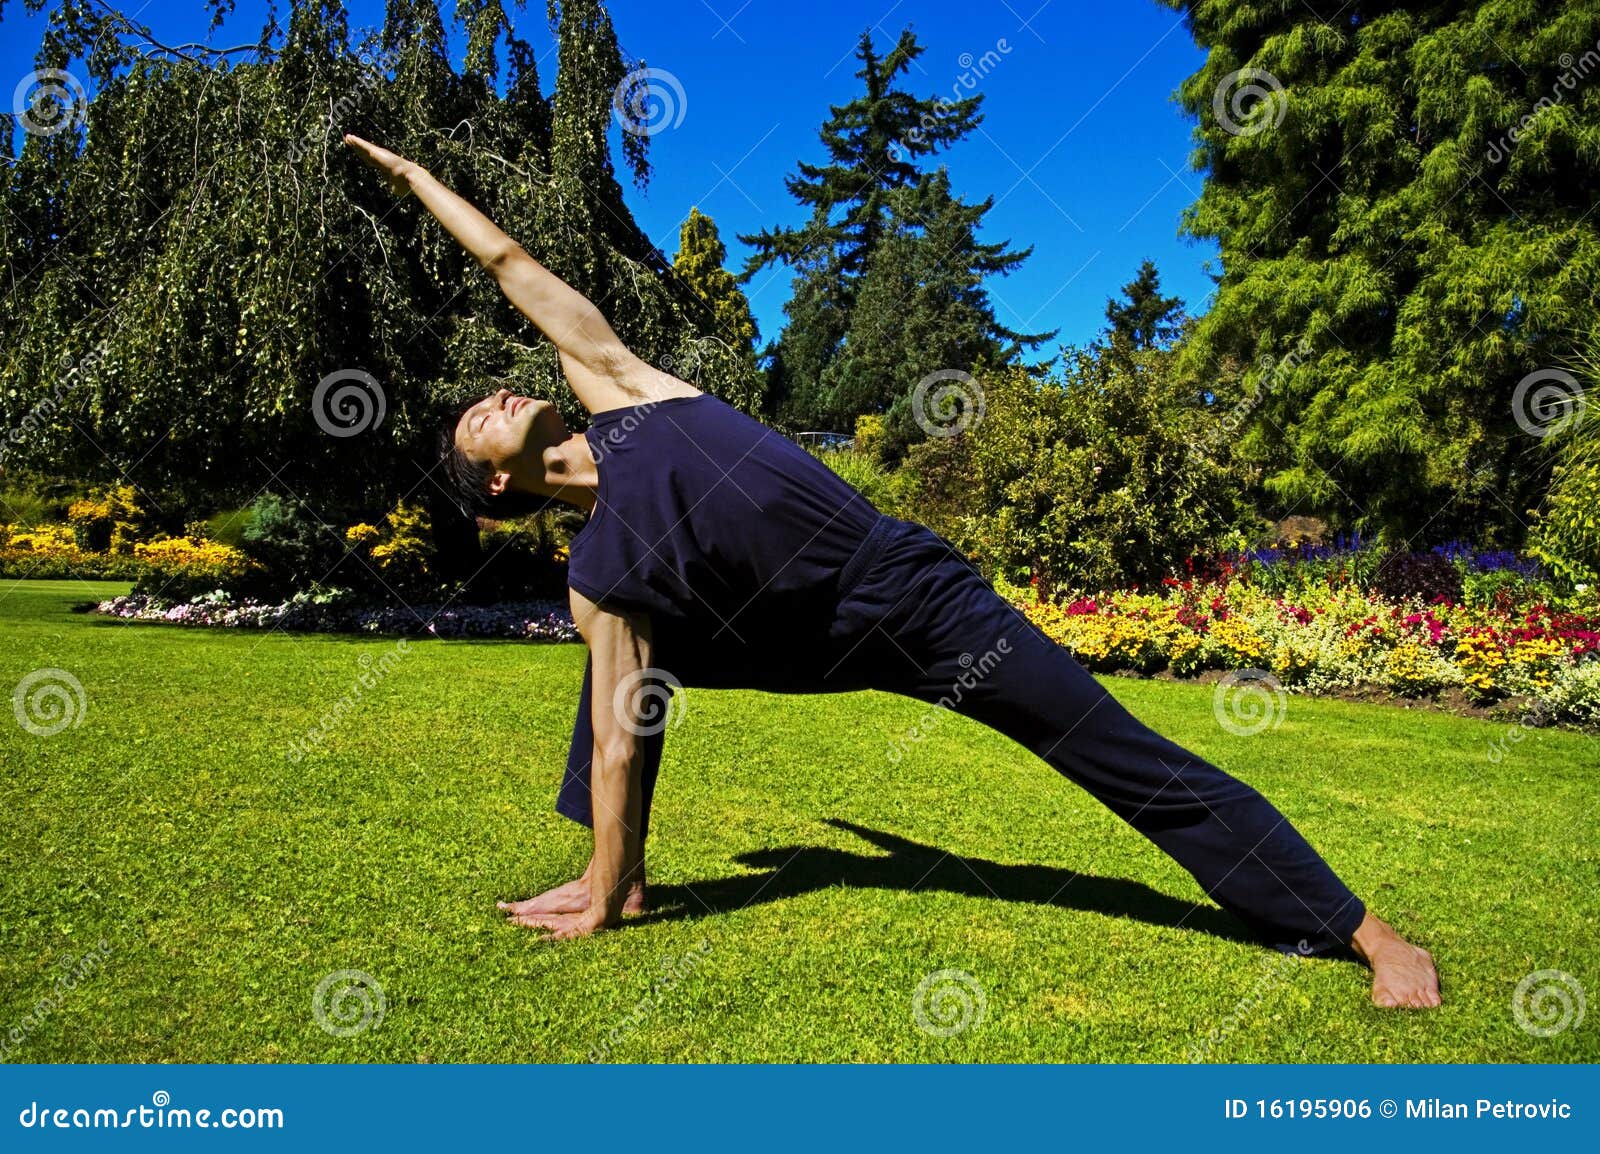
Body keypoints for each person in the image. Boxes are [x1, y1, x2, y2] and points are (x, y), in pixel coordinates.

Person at [343, 134, 1443, 1008]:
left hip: (917, 597)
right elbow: (625, 727)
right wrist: (603, 883)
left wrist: (415, 178)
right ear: (494, 488)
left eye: (490, 393)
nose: (490, 399)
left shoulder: (621, 387)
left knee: (1108, 744)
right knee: (617, 653)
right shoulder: (597, 568)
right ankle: (611, 875)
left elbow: (509, 265)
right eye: (471, 423)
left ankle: (1363, 927)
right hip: (800, 641)